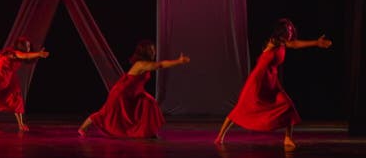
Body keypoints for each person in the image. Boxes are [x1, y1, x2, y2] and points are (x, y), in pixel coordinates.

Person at [214, 18, 332, 150]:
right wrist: (315, 42)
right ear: (281, 32)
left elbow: (293, 44)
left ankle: (287, 138)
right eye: (288, 29)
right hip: (257, 81)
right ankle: (220, 136)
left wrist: (316, 42)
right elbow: (292, 45)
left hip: (271, 81)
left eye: (291, 29)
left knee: (288, 106)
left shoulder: (283, 43)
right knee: (240, 109)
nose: (291, 31)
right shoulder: (274, 42)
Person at [77, 40, 190, 138]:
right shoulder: (141, 64)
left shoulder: (145, 64)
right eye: (150, 50)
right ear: (144, 52)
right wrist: (178, 61)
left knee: (148, 102)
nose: (153, 52)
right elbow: (160, 65)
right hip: (121, 93)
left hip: (132, 94)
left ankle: (147, 131)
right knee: (105, 113)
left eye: (153, 49)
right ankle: (82, 128)